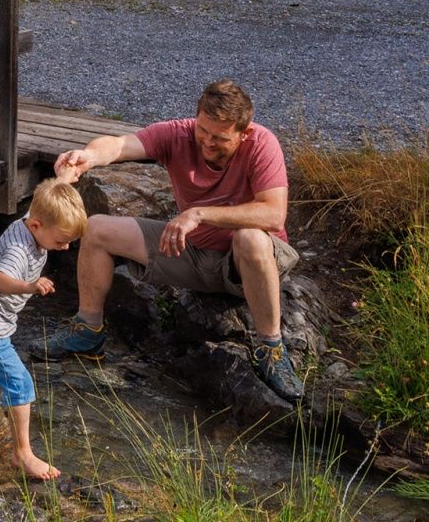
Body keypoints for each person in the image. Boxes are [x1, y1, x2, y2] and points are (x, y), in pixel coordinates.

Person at [37, 78, 304, 401]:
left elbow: (274, 214)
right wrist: (88, 156)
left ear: (243, 133)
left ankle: (271, 349)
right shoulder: (178, 134)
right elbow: (121, 145)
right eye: (202, 131)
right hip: (195, 255)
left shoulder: (262, 143)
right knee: (97, 229)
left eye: (220, 138)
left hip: (248, 262)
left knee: (249, 238)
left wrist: (199, 214)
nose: (207, 142)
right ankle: (88, 331)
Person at [0, 178, 87, 481]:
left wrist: (64, 178)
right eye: (61, 242)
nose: (65, 247)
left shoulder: (34, 219)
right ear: (38, 226)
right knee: (20, 383)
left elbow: (47, 198)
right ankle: (22, 454)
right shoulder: (19, 248)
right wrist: (30, 285)